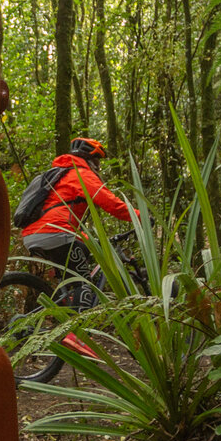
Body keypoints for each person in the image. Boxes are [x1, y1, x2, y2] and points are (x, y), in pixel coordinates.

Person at [18, 138, 138, 323]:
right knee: (85, 285)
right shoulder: (81, 174)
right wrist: (141, 217)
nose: (98, 166)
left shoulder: (61, 175)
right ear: (88, 159)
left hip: (34, 235)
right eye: (97, 161)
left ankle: (63, 313)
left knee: (78, 259)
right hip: (56, 233)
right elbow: (114, 205)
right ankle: (76, 336)